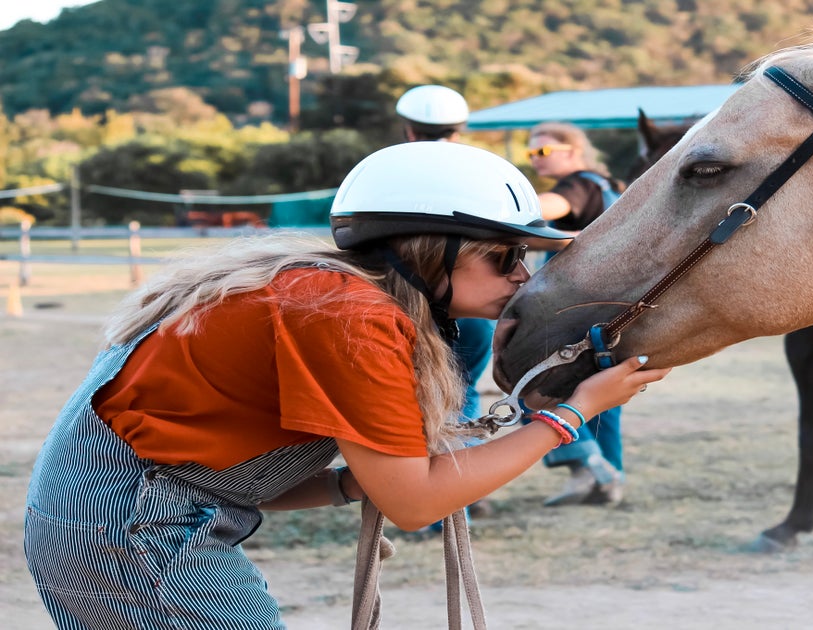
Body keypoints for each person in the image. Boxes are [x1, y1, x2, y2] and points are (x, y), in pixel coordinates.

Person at [23, 142, 669, 628]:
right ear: (428, 248)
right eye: (504, 257)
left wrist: (342, 484)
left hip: (114, 521)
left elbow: (199, 462)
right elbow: (417, 506)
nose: (523, 277)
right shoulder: (349, 318)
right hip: (136, 532)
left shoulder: (331, 295)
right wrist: (574, 414)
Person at [397, 84, 496, 521]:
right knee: (464, 393)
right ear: (460, 129)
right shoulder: (484, 172)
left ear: (407, 129)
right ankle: (465, 492)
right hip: (476, 306)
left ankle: (435, 499)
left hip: (411, 302)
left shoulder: (390, 172)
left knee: (416, 397)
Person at [525, 121, 629, 507]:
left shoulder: (577, 185)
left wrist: (505, 206)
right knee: (605, 394)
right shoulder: (608, 186)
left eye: (544, 152)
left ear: (573, 150)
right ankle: (608, 479)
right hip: (615, 303)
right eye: (530, 153)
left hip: (575, 304)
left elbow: (550, 208)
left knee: (532, 383)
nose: (535, 159)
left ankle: (586, 463)